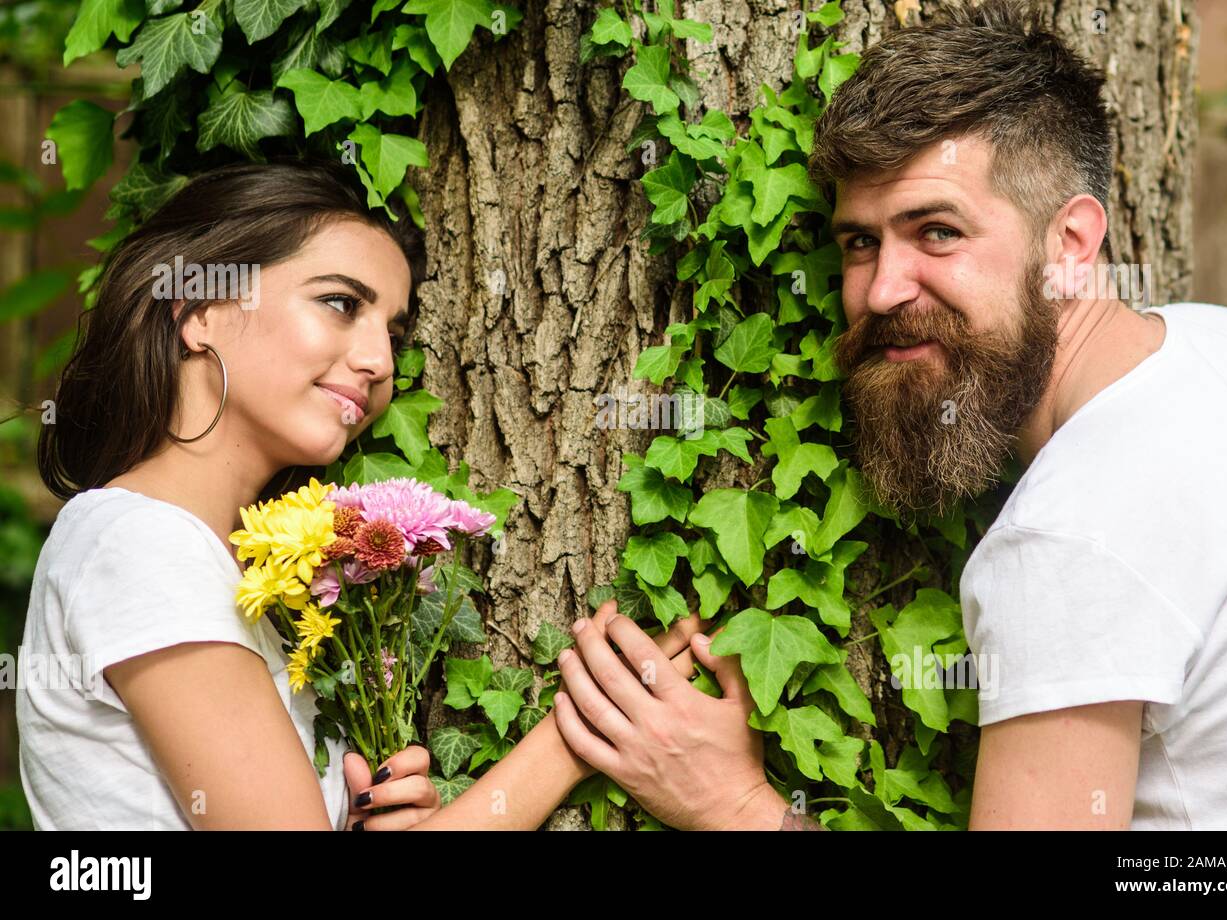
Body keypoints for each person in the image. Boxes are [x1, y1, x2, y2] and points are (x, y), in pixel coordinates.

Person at [559, 0, 1227, 830]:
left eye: (937, 232)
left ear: (1071, 243)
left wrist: (733, 806)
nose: (880, 292)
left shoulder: (1068, 540)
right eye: (860, 242)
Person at [19, 158, 801, 830]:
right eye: (339, 303)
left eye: (392, 332)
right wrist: (584, 727)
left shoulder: (217, 566)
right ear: (199, 310)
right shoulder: (137, 541)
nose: (377, 362)